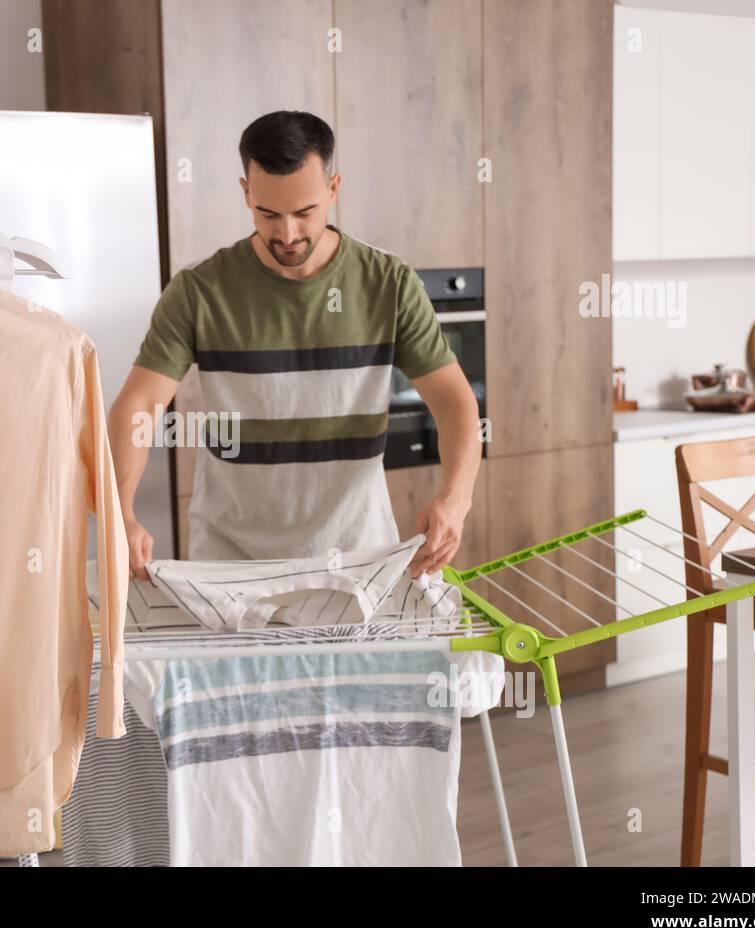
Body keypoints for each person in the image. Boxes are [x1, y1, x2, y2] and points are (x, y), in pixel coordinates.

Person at [60, 110, 481, 866]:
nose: (287, 230)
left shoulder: (387, 283)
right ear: (244, 190)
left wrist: (457, 496)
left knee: (362, 773)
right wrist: (117, 512)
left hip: (356, 566)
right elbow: (136, 409)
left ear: (336, 188)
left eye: (306, 211)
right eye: (267, 211)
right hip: (230, 572)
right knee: (241, 779)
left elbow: (456, 402)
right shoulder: (200, 291)